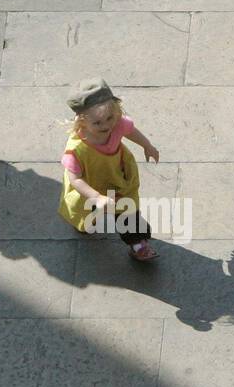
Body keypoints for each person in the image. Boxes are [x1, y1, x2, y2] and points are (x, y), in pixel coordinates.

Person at [58, 79, 161, 261]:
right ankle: (86, 221)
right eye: (97, 123)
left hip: (116, 176)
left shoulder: (117, 123)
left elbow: (131, 132)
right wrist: (96, 197)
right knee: (85, 216)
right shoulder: (75, 150)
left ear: (116, 111)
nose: (106, 125)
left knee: (128, 211)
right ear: (82, 122)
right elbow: (75, 179)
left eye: (110, 118)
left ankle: (138, 245)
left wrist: (148, 146)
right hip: (89, 184)